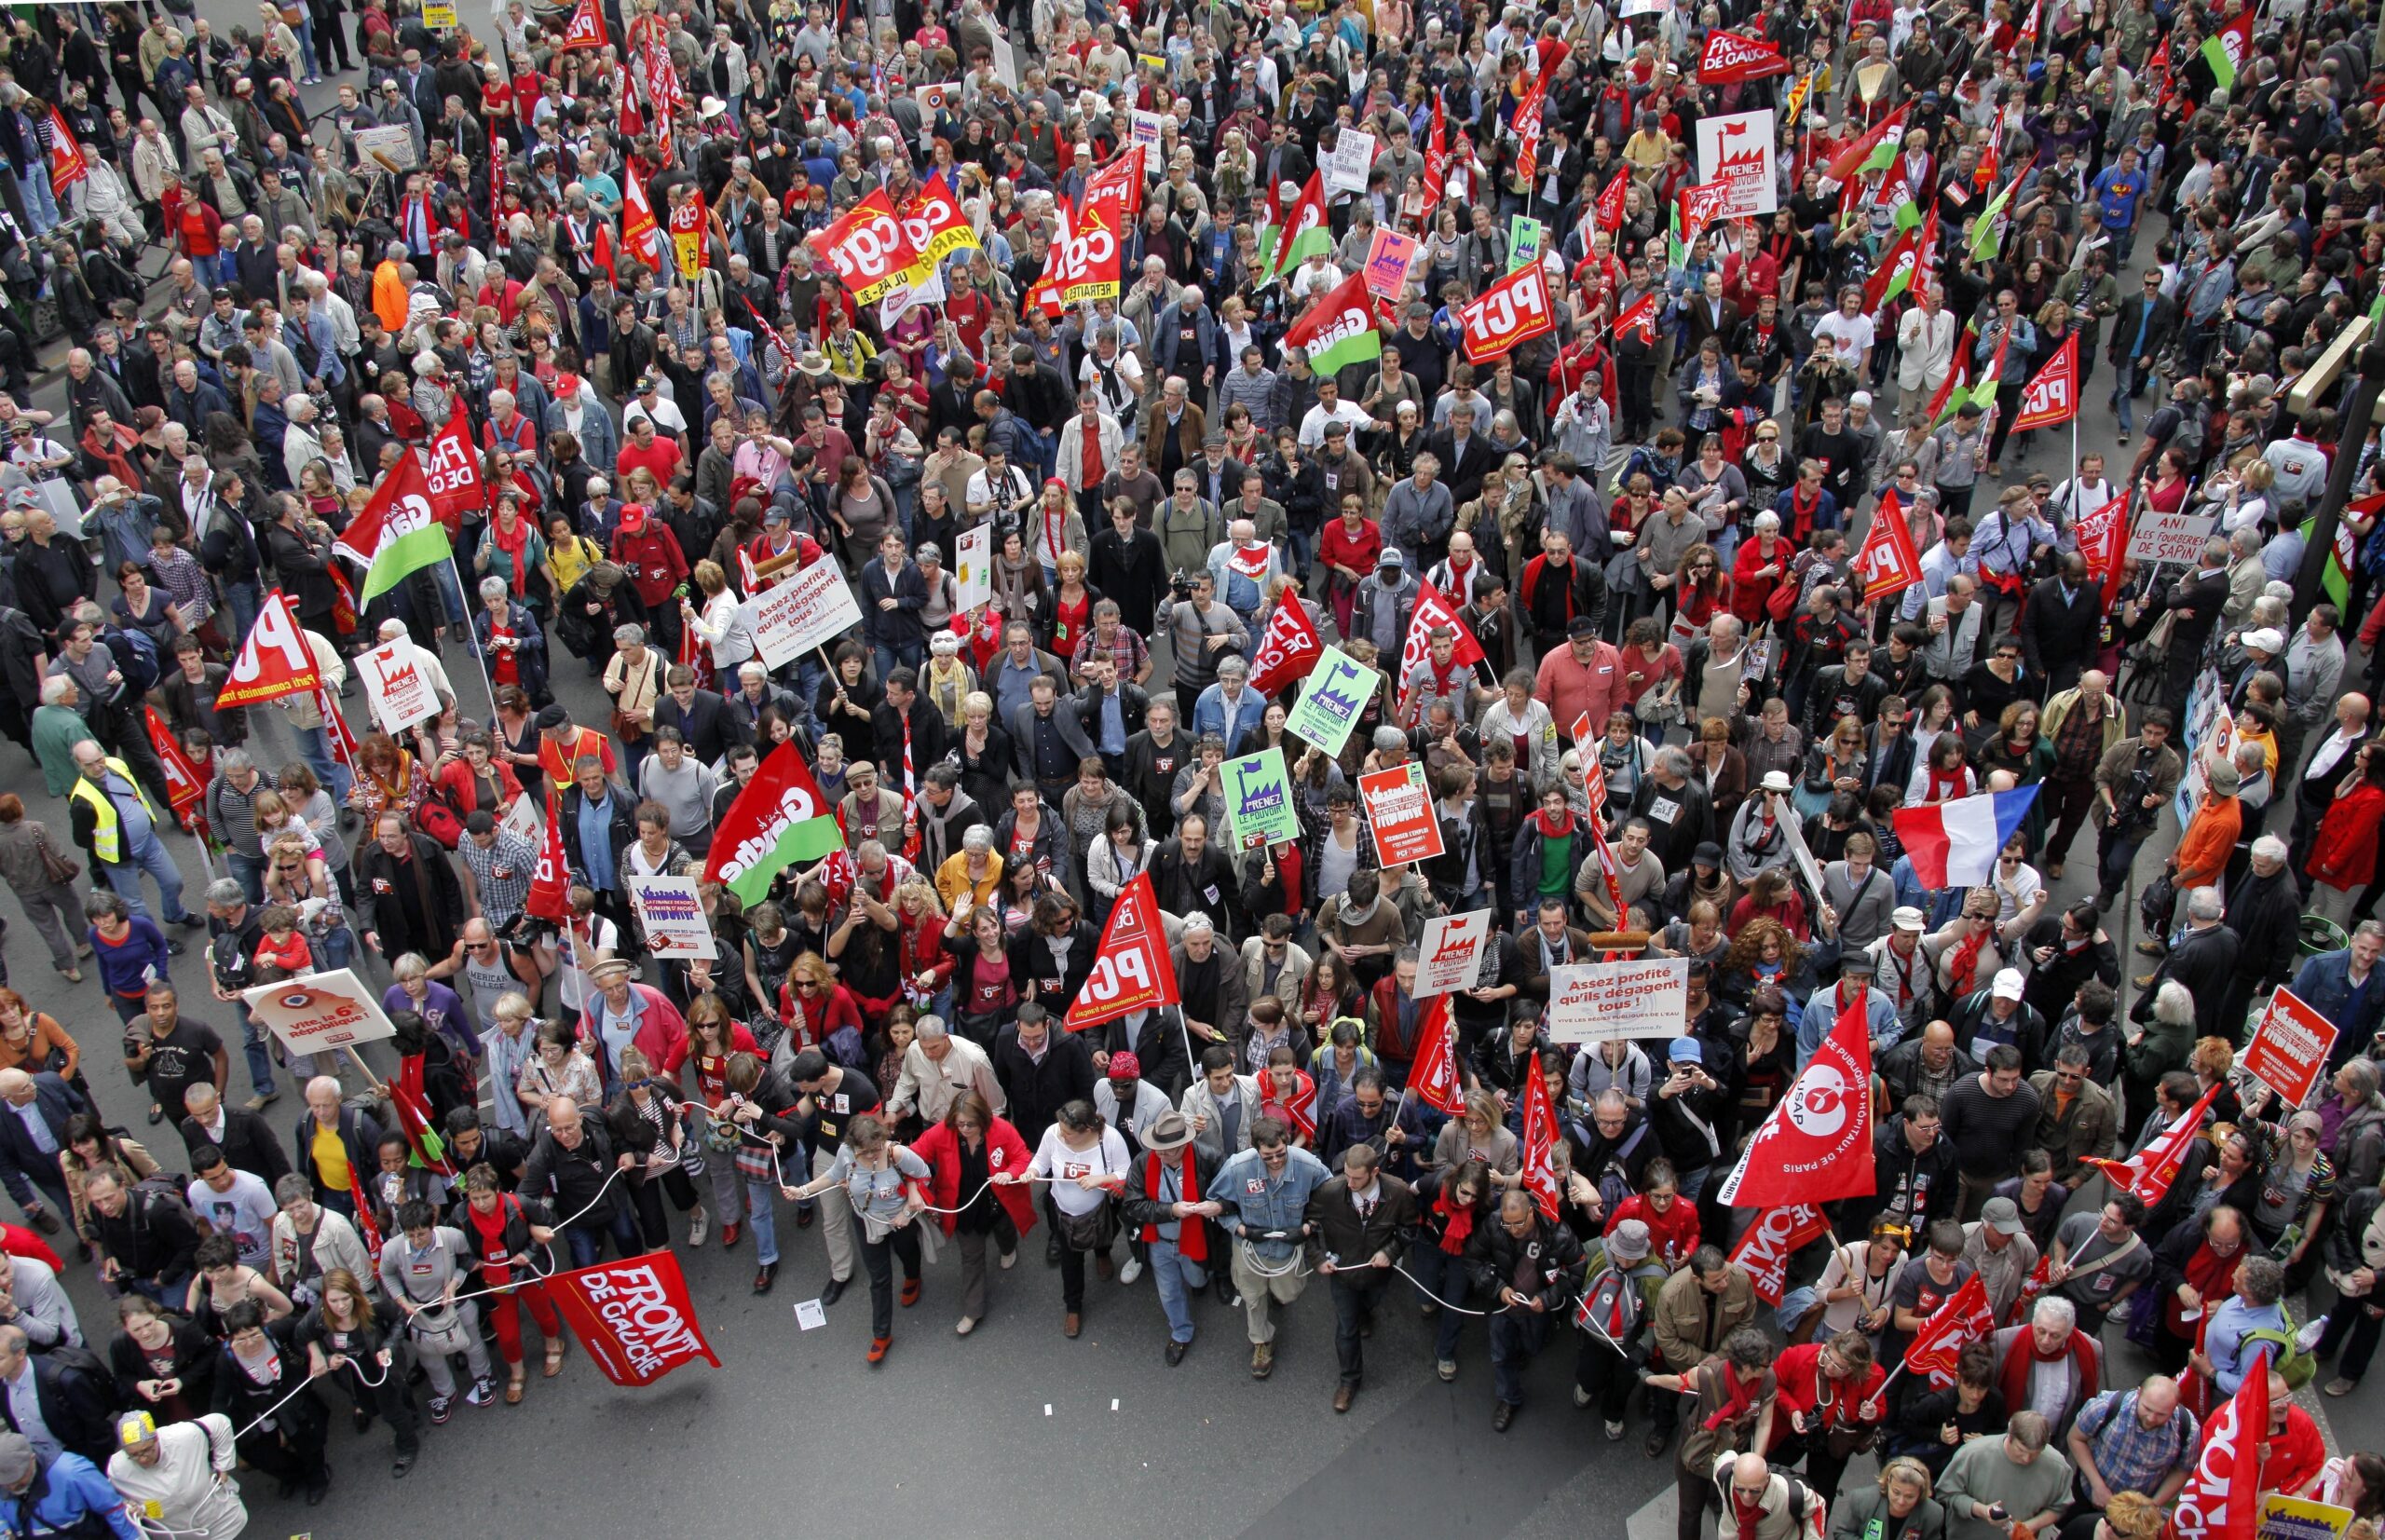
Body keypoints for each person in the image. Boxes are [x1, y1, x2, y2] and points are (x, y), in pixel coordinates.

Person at [784, 1113, 931, 1363]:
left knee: (907, 1252)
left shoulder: (898, 1154)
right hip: (866, 1221)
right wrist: (803, 1190)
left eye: (876, 1149)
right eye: (865, 1152)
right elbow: (832, 1174)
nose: (873, 1156)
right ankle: (881, 1335)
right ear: (853, 1147)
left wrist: (908, 1210)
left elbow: (925, 1174)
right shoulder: (845, 1153)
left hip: (899, 1219)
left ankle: (913, 1276)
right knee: (879, 1278)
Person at [1212, 1115, 1329, 1381]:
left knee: (1288, 1294)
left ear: (1287, 1143)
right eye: (1268, 1156)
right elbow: (1216, 1203)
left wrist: (1309, 1227)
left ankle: (1276, 1295)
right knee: (1253, 1299)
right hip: (1250, 1248)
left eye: (1280, 1154)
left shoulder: (1307, 1165)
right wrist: (1241, 1230)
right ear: (1255, 1149)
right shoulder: (1236, 1168)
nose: (1276, 1161)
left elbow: (1331, 1195)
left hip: (1287, 1251)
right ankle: (1261, 1342)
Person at [1308, 1141, 1415, 1414]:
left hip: (1378, 1271)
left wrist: (1391, 1251)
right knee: (1346, 1327)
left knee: (1370, 1303)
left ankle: (1366, 1313)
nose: (1350, 1182)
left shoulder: (1399, 1193)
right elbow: (1309, 1225)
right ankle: (1349, 1381)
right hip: (1343, 1272)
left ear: (1374, 1172)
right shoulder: (1331, 1192)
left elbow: (1410, 1228)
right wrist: (1319, 1259)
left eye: (1357, 1178)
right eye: (1347, 1175)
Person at [106, 1410, 246, 1540]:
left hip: (221, 1519)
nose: (142, 1459)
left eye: (147, 1450)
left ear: (156, 1438)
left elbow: (220, 1423)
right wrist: (128, 1505)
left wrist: (223, 1466)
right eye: (134, 1455)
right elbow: (113, 1497)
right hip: (178, 1534)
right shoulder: (118, 1468)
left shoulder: (184, 1435)